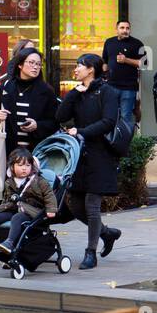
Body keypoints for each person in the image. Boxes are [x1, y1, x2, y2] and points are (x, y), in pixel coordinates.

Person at [56, 53, 122, 270]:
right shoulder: (79, 93)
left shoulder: (108, 92)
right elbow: (61, 115)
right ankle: (107, 233)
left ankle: (90, 252)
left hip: (101, 154)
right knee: (75, 205)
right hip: (79, 156)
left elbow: (109, 122)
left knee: (92, 206)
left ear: (91, 69)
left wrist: (81, 131)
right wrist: (74, 93)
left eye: (79, 66)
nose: (75, 70)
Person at [0, 147, 58, 269]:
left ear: (32, 167)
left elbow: (49, 195)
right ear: (12, 167)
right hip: (15, 208)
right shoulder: (10, 182)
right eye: (20, 165)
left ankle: (10, 243)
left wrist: (51, 209)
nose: (24, 168)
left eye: (28, 165)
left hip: (32, 211)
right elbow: (7, 200)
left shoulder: (38, 181)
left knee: (17, 218)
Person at [0, 45, 59, 152]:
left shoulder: (46, 91)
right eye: (31, 62)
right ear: (20, 64)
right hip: (8, 151)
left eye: (38, 64)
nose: (35, 67)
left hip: (36, 151)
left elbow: (55, 122)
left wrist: (37, 125)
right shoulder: (7, 86)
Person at [102, 19, 144, 124]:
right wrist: (103, 77)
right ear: (116, 29)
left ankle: (125, 140)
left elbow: (144, 63)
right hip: (111, 86)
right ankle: (110, 140)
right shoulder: (109, 42)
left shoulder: (137, 43)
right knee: (110, 116)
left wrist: (126, 60)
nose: (125, 30)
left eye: (127, 28)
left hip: (129, 88)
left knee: (125, 117)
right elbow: (104, 62)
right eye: (122, 28)